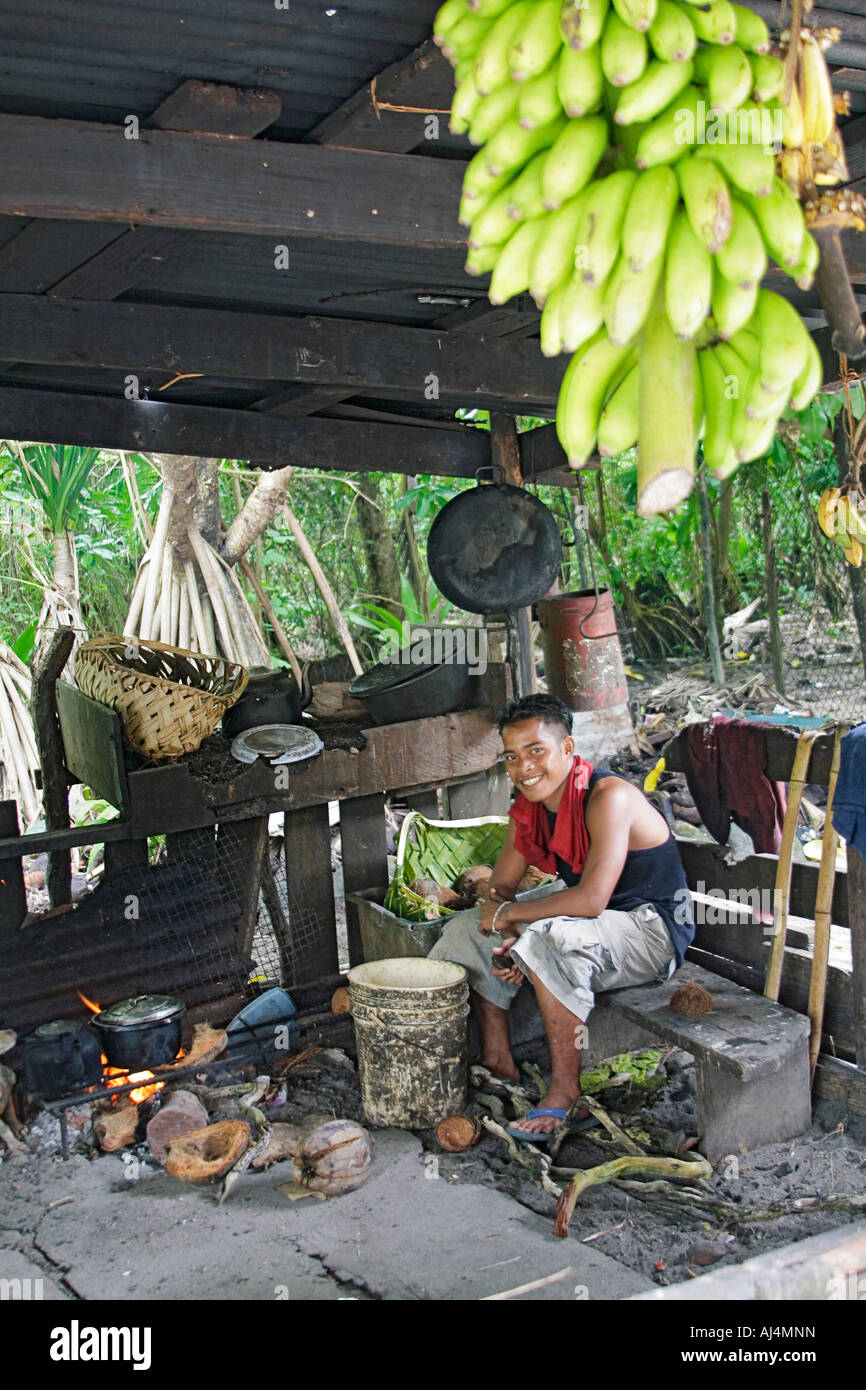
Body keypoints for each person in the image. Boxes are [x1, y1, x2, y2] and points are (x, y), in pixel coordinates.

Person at [428, 693, 695, 1145]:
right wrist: (504, 925)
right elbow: (502, 887)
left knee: (551, 937)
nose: (524, 767)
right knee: (462, 931)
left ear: (568, 750)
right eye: (512, 756)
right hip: (592, 920)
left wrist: (512, 918)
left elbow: (590, 900)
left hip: (649, 930)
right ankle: (498, 1054)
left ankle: (566, 1090)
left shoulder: (609, 797)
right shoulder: (530, 807)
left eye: (537, 751)